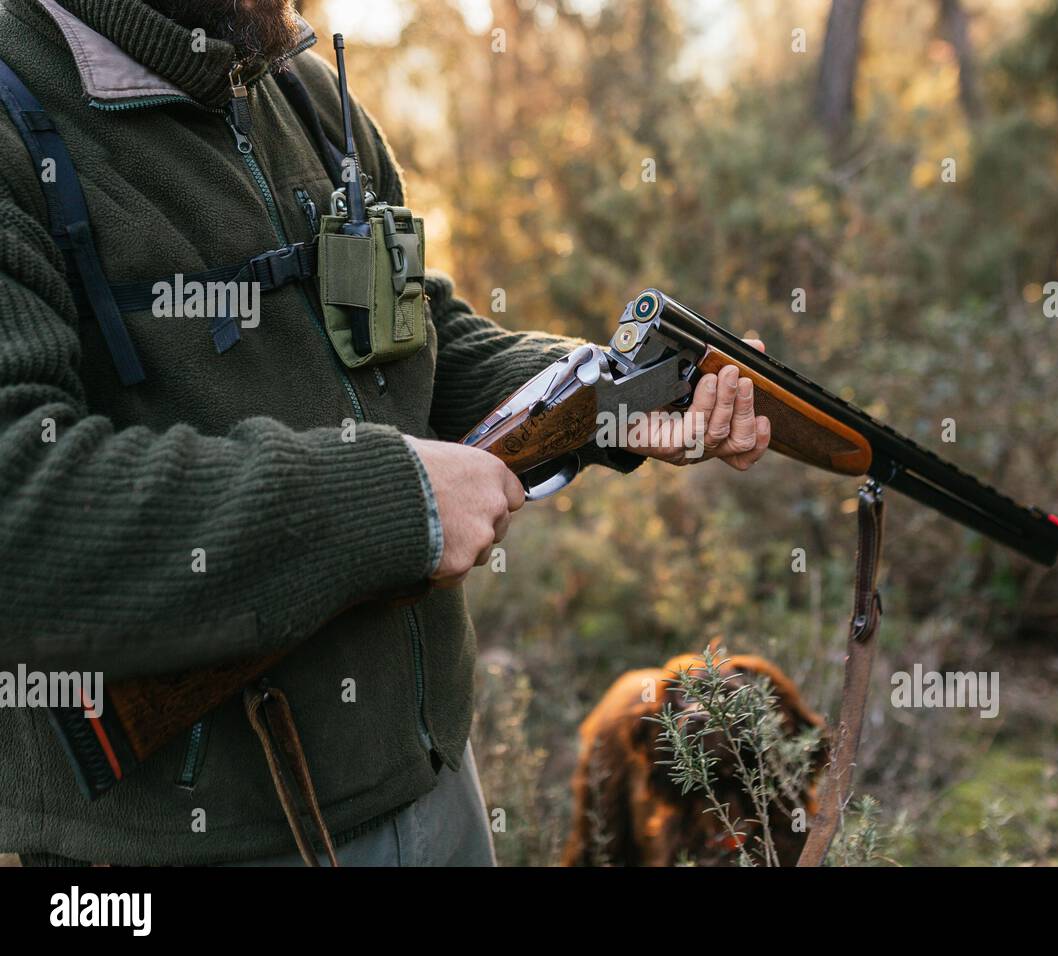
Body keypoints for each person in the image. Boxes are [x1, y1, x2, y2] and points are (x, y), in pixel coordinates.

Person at [0, 0, 769, 866]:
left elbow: (416, 339)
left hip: (434, 785)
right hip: (188, 845)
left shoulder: (299, 88)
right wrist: (391, 501)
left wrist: (613, 390)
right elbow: (21, 512)